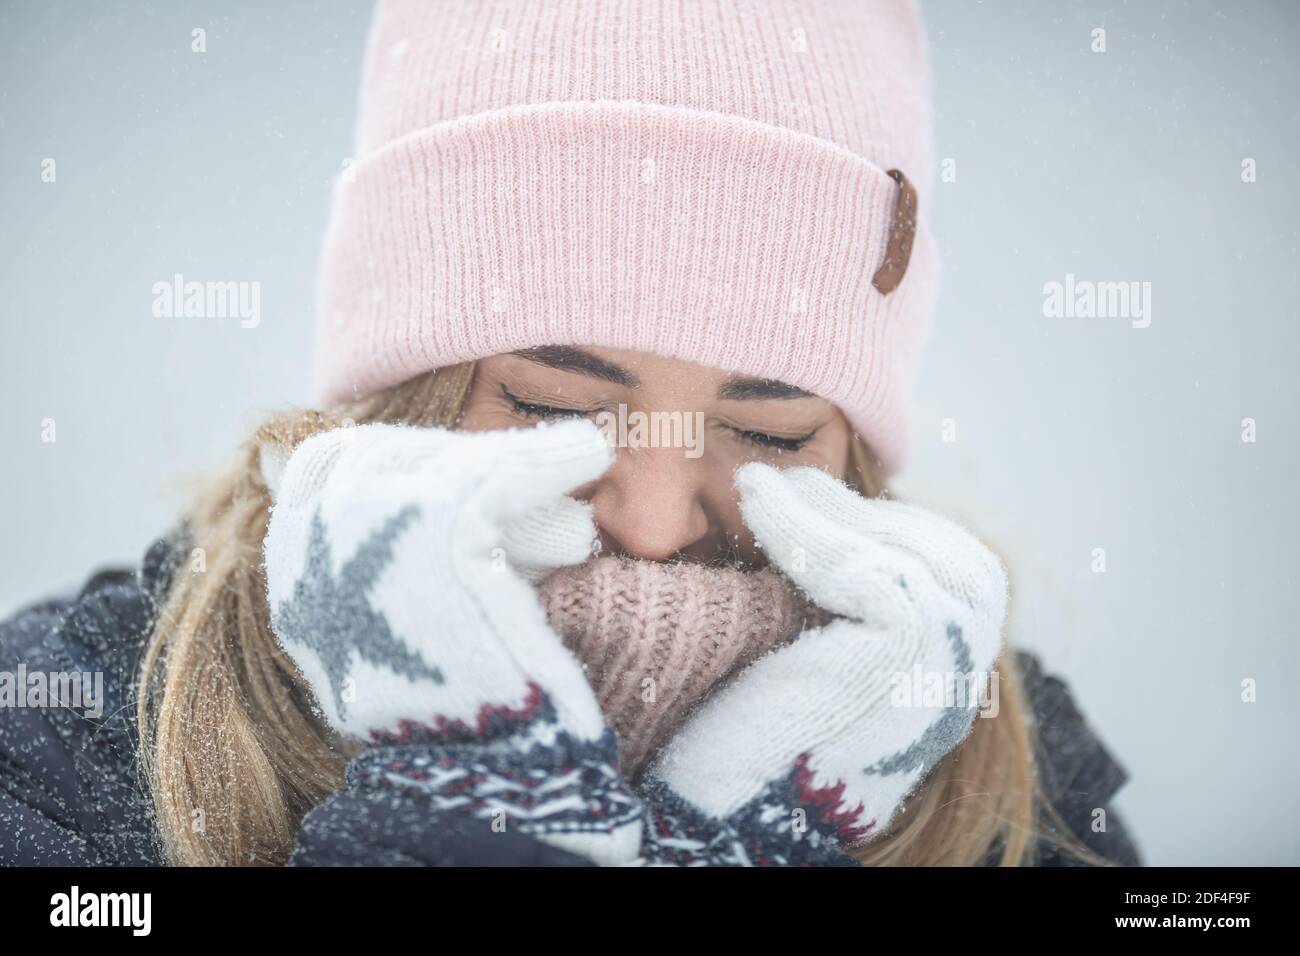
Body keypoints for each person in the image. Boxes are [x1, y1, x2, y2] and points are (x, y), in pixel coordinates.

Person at [0, 0, 1140, 867]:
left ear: (857, 456)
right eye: (551, 405)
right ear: (397, 401)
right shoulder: (66, 747)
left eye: (767, 427)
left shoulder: (1017, 803)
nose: (649, 523)